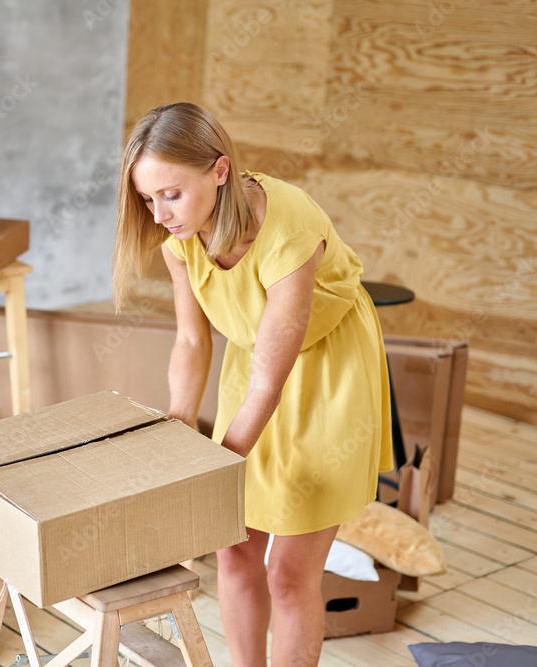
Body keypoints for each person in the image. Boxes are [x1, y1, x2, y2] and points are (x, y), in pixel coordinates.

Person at [113, 102, 393, 666]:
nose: (160, 212)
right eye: (147, 198)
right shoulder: (181, 239)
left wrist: (218, 468)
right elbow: (193, 343)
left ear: (219, 171)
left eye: (171, 193)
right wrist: (178, 422)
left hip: (328, 379)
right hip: (256, 370)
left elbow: (273, 376)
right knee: (235, 552)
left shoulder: (289, 230)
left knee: (289, 574)